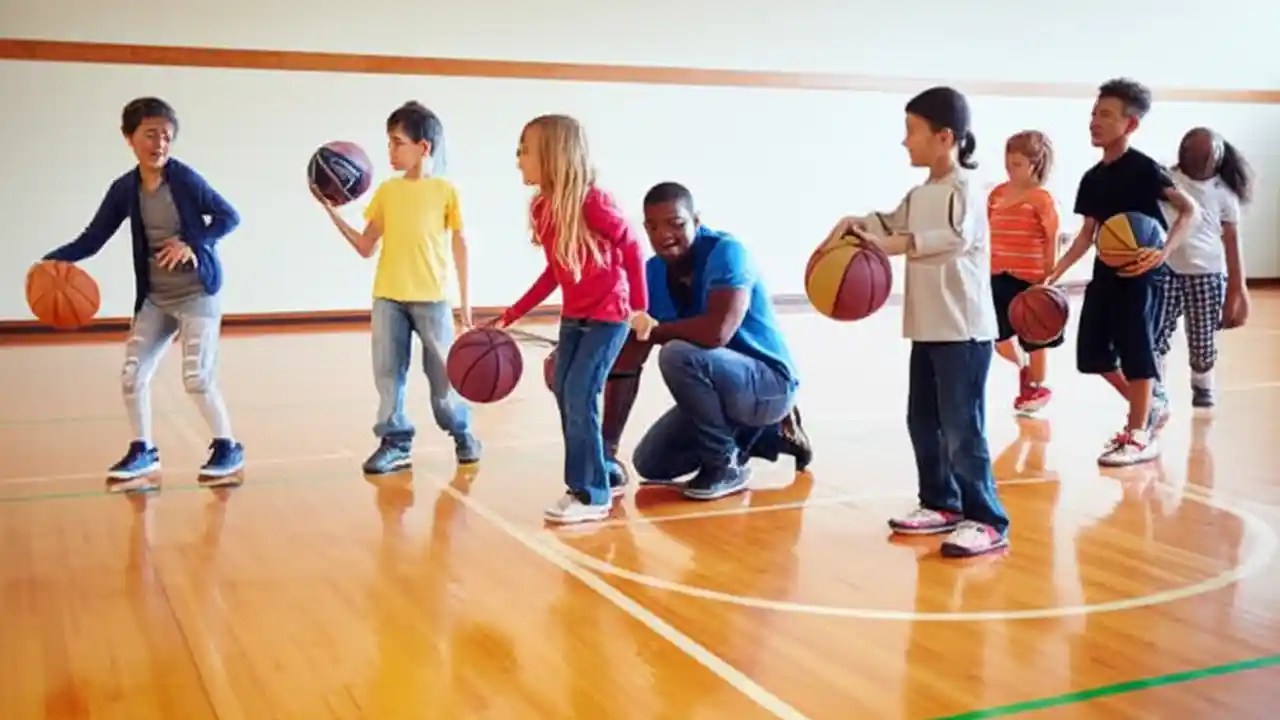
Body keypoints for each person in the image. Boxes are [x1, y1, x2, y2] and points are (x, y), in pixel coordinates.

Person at [824, 86, 1008, 558]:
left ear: (944, 137)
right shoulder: (921, 192)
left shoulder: (967, 189)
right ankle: (940, 503)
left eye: (912, 131)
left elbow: (951, 238)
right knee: (922, 420)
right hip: (926, 328)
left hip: (963, 332)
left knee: (963, 428)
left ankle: (986, 519)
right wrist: (853, 223)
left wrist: (894, 244)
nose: (905, 141)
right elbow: (886, 223)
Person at [41, 97, 244, 491]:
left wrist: (190, 240)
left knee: (197, 378)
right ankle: (143, 450)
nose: (160, 144)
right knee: (132, 376)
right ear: (129, 138)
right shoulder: (124, 189)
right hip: (156, 298)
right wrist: (50, 262)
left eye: (167, 136)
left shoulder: (184, 180)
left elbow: (228, 217)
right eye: (151, 134)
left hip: (197, 294)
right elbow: (92, 238)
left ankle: (228, 447)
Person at [492, 114, 649, 525]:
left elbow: (632, 246)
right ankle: (603, 474)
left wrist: (639, 306)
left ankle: (590, 492)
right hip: (575, 315)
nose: (518, 160)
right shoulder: (544, 207)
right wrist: (514, 312)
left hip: (610, 315)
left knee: (580, 391)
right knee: (563, 387)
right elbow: (554, 272)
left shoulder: (593, 203)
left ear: (552, 154)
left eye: (524, 151)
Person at [313, 101, 480, 475]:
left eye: (397, 142)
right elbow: (365, 246)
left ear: (424, 147)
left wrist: (466, 306)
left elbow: (460, 246)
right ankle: (395, 443)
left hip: (433, 300)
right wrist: (331, 212)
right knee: (388, 376)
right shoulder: (387, 191)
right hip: (388, 298)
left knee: (443, 383)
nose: (390, 150)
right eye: (388, 142)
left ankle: (462, 431)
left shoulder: (446, 191)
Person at [618, 182, 811, 501]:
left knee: (675, 354)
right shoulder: (652, 273)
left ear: (696, 220)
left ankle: (725, 466)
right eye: (653, 226)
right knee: (650, 463)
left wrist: (654, 331)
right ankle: (767, 433)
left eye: (676, 224)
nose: (664, 235)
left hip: (769, 384)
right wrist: (583, 367)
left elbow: (716, 333)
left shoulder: (727, 253)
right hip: (723, 388)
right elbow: (631, 354)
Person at [1043, 78, 1199, 466]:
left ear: (1130, 125)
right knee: (1092, 354)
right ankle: (1150, 402)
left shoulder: (1146, 169)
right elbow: (1086, 236)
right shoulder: (1093, 178)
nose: (1094, 121)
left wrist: (1162, 253)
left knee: (1136, 349)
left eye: (1106, 115)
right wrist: (1053, 275)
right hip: (1105, 271)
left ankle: (1138, 434)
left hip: (1142, 275)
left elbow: (1189, 210)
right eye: (1094, 113)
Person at [1153, 127, 1255, 408]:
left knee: (1202, 337)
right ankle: (1155, 388)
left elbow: (1233, 243)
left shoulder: (1224, 194)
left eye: (1206, 155)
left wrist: (1238, 289)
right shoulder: (1167, 181)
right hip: (1167, 270)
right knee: (1156, 333)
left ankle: (1202, 384)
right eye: (1192, 153)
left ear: (1218, 158)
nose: (1199, 160)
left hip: (1207, 274)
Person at [988, 130, 1062, 414]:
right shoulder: (996, 195)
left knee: (1036, 336)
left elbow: (1052, 235)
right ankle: (1024, 368)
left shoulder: (1041, 199)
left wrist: (1048, 276)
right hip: (997, 275)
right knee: (997, 336)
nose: (1010, 169)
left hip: (1030, 279)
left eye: (1017, 164)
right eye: (1008, 163)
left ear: (1035, 164)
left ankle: (1035, 386)